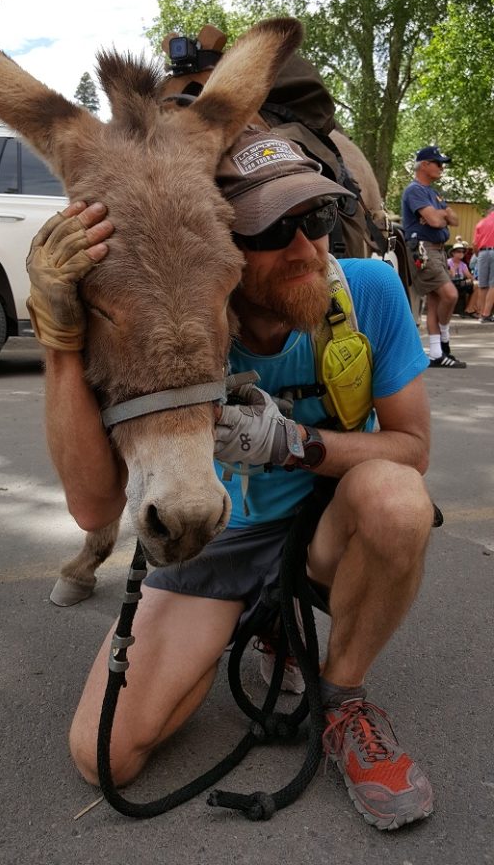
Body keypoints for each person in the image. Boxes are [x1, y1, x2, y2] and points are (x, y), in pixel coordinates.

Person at [31, 128, 436, 832]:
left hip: (322, 526)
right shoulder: (157, 323)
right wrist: (60, 339)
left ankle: (341, 701)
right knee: (107, 758)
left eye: (313, 217)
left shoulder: (366, 289)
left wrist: (294, 444)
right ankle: (250, 620)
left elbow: (412, 449)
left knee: (398, 499)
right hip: (210, 538)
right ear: (217, 250)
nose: (308, 248)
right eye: (274, 230)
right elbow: (94, 502)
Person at [401, 145, 466, 367]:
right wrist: (441, 215)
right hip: (424, 249)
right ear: (425, 165)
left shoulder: (433, 193)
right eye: (438, 163)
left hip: (437, 248)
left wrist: (441, 214)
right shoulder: (415, 190)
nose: (441, 168)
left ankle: (436, 354)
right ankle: (445, 340)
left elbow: (454, 219)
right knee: (450, 295)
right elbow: (438, 221)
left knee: (435, 301)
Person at [472, 205, 494, 322]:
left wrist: (478, 254)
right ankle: (487, 314)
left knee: (482, 284)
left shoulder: (481, 223)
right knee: (493, 284)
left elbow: (474, 243)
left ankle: (481, 315)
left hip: (482, 253)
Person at [447, 240, 477, 317]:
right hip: (450, 283)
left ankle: (469, 309)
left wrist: (470, 279)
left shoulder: (463, 265)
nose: (461, 253)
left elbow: (470, 277)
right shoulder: (448, 262)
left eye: (463, 252)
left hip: (460, 283)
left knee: (476, 286)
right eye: (459, 251)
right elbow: (450, 276)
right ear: (453, 253)